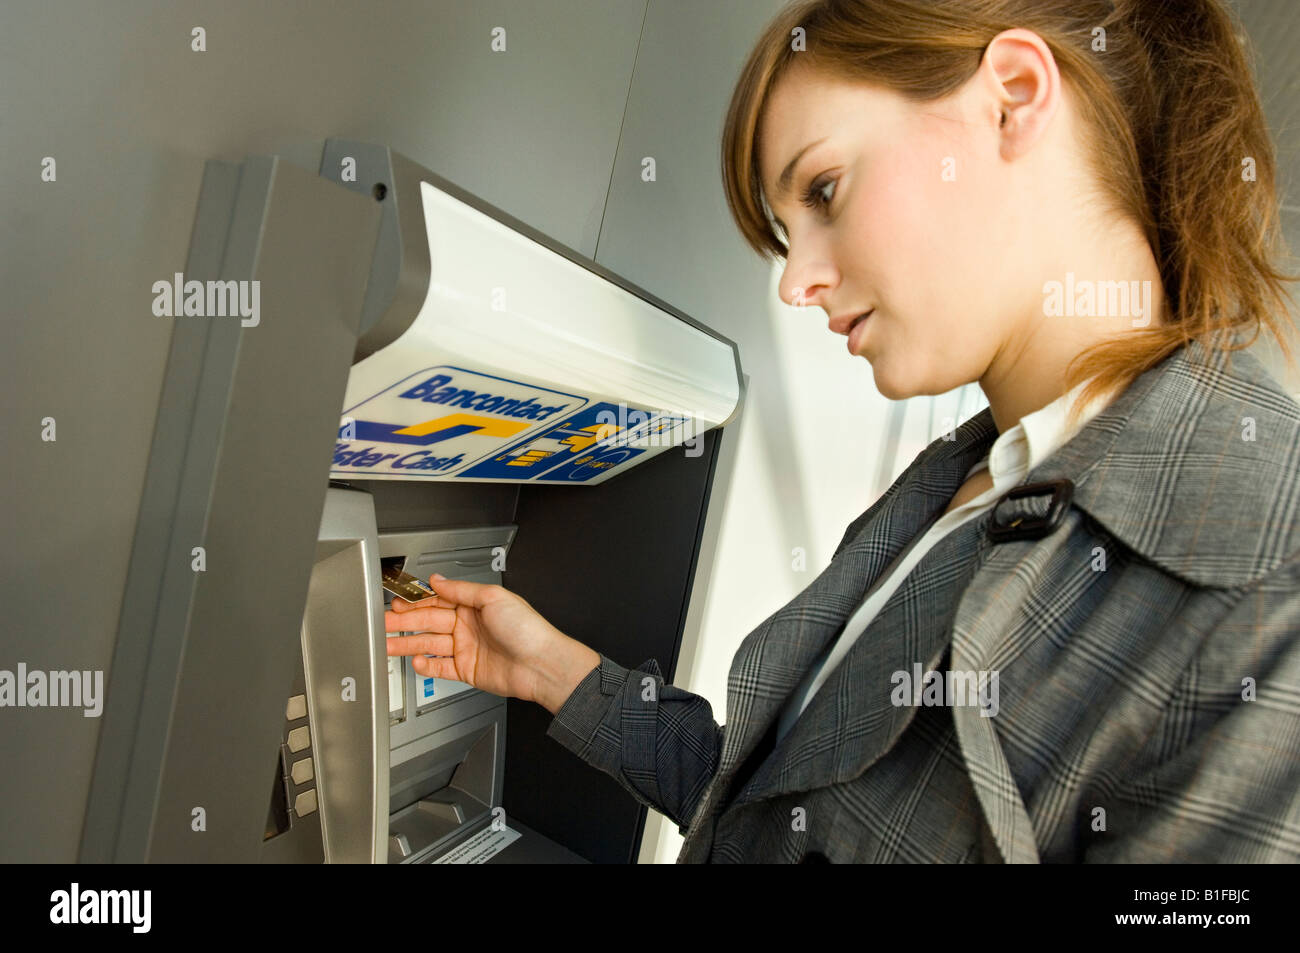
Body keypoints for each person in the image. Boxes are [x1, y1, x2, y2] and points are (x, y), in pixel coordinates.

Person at [386, 0, 1300, 862]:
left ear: (1015, 97)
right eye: (788, 235)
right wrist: (561, 675)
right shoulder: (965, 478)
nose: (796, 284)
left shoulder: (1269, 578)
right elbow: (785, 822)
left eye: (824, 189)